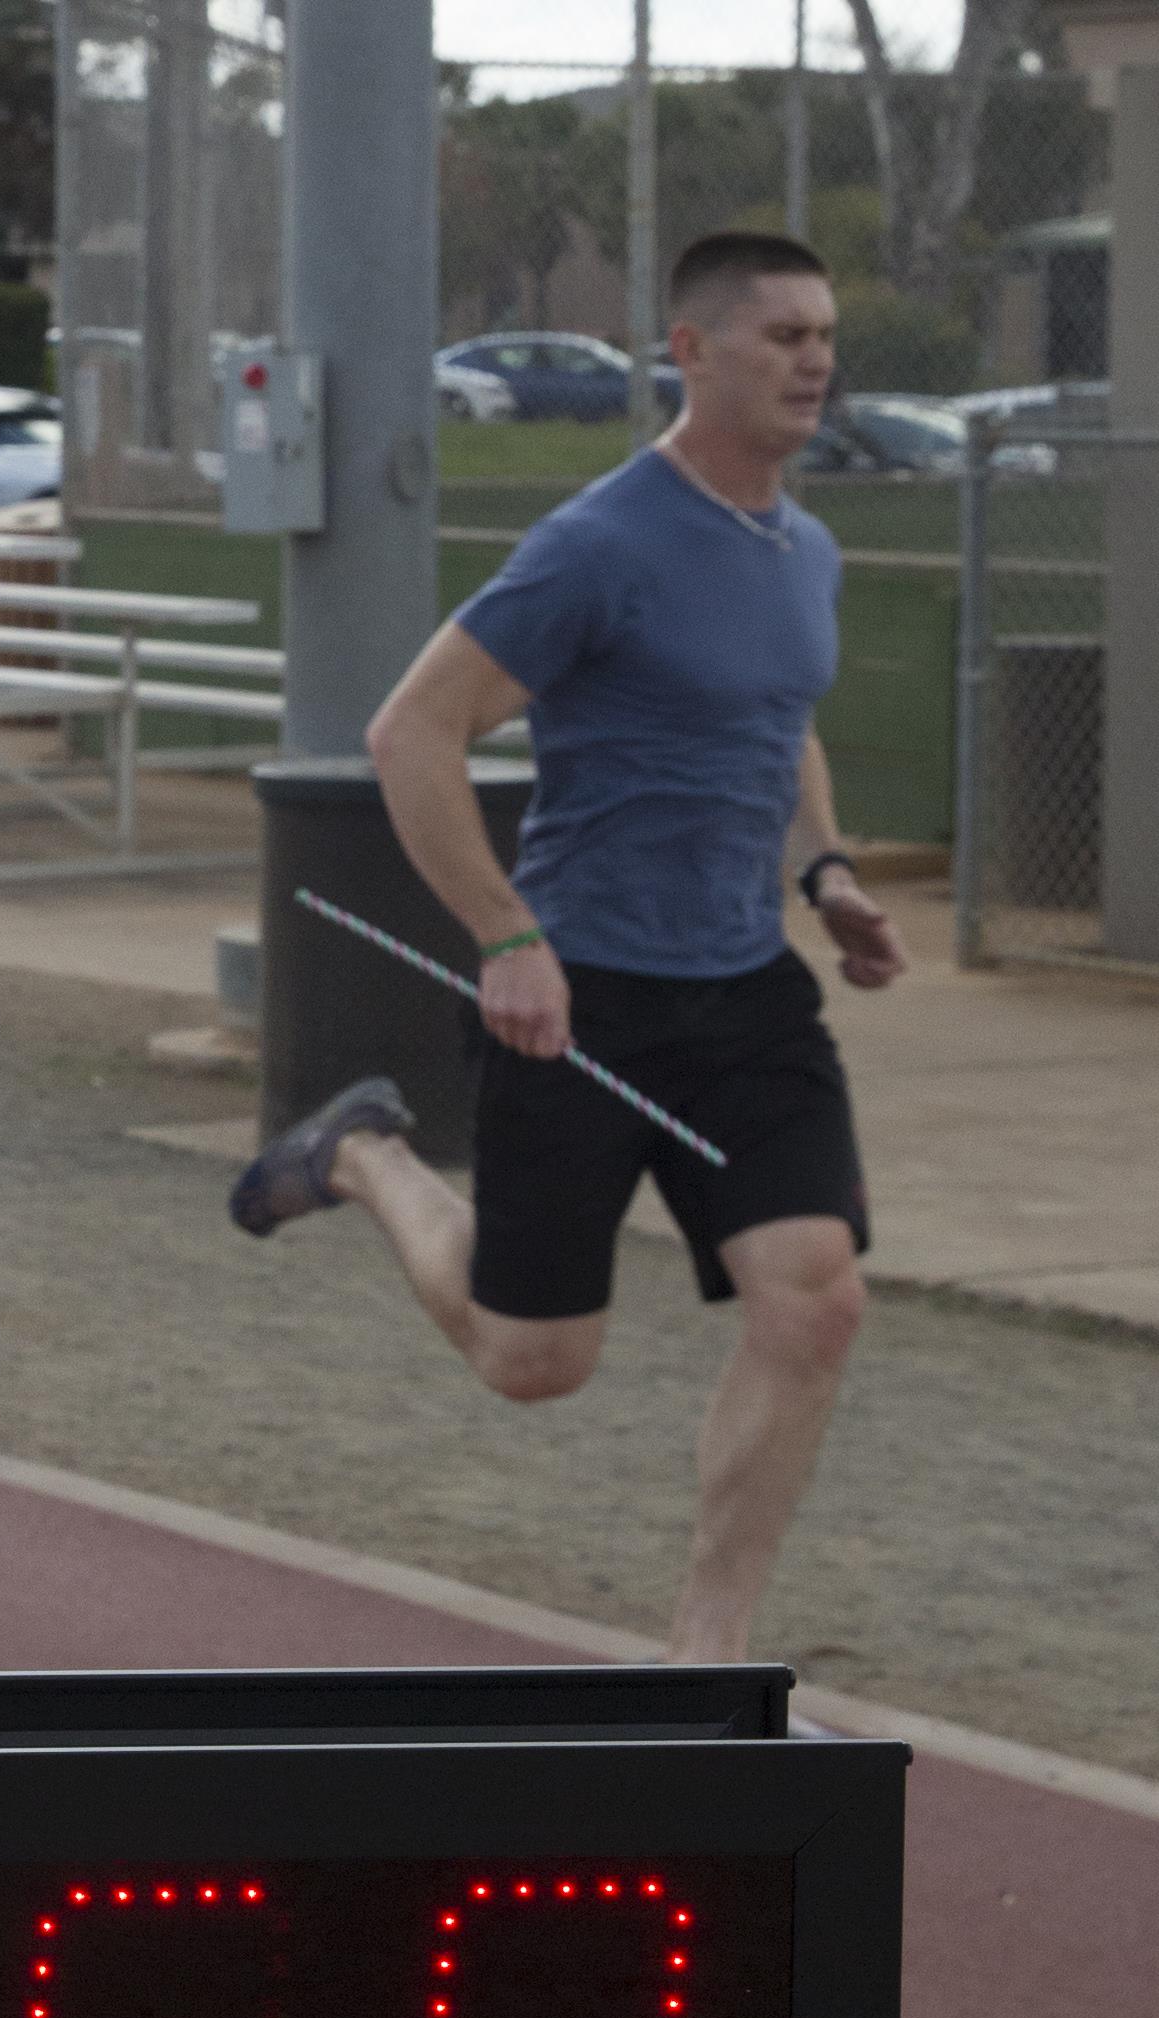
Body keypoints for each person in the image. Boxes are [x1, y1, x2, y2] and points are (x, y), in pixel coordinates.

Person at [227, 229, 908, 1663]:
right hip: (582, 995)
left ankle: (706, 1658)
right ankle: (368, 1158)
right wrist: (506, 935)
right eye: (781, 335)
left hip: (746, 995)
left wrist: (827, 872)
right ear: (693, 352)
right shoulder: (601, 545)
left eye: (824, 334)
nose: (815, 360)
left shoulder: (806, 545)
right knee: (537, 1362)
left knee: (817, 1296)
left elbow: (775, 722)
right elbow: (410, 730)